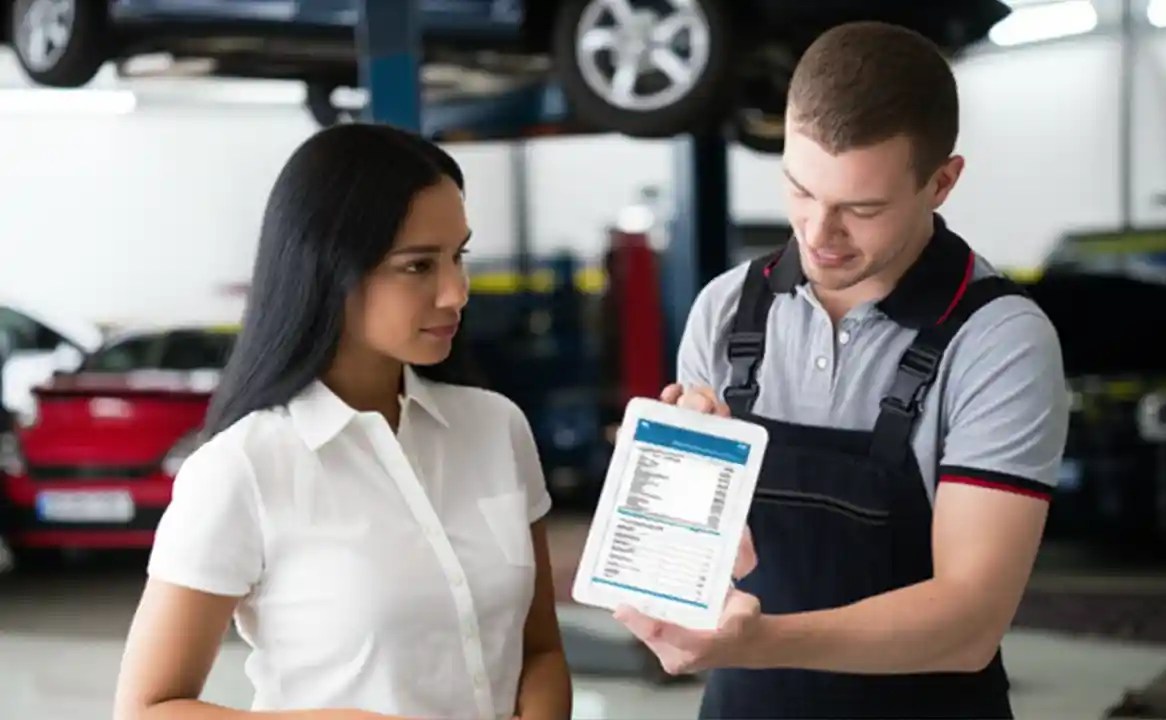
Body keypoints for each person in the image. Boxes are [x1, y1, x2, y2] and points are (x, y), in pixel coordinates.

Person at [613, 21, 1070, 719]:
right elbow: (686, 573)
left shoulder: (999, 341)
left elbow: (970, 623)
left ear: (942, 182)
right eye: (800, 190)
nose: (818, 235)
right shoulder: (728, 310)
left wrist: (761, 643)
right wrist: (672, 493)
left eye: (862, 209)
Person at [113, 124, 572, 720]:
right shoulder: (244, 467)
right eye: (418, 266)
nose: (456, 292)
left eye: (459, 256)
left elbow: (538, 652)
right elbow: (147, 708)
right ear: (328, 267)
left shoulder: (496, 427)